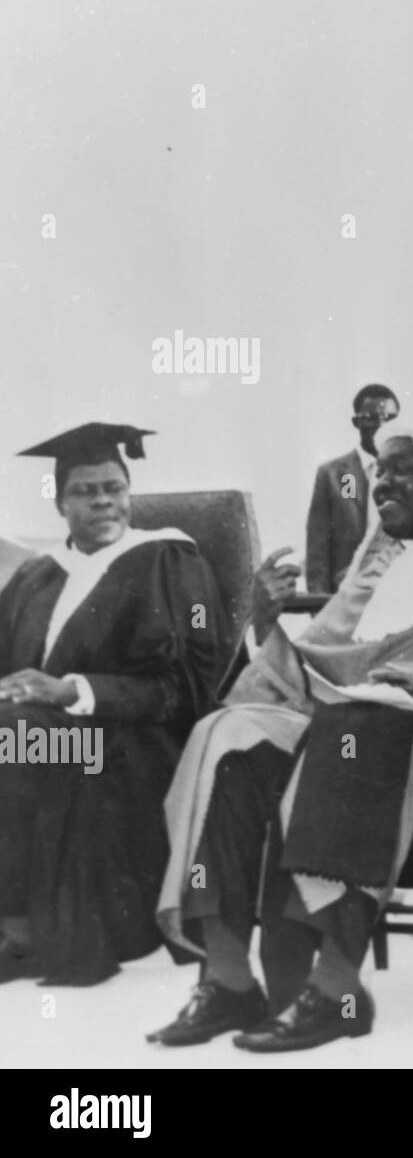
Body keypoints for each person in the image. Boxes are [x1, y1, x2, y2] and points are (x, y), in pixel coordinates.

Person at [150, 419, 413, 1052]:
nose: (381, 481)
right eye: (380, 469)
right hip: (336, 719)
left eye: (402, 470)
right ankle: (227, 977)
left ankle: (336, 990)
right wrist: (263, 622)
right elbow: (309, 667)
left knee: (359, 726)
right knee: (226, 732)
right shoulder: (375, 569)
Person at [0, 422, 226, 985]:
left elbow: (185, 689)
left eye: (113, 488)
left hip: (131, 748)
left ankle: (28, 933)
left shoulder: (167, 562)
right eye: (85, 490)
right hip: (36, 740)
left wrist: (74, 690)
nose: (103, 500)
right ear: (59, 502)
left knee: (27, 737)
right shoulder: (33, 577)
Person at [305, 384, 400, 593]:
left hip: (397, 594)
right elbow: (318, 552)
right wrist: (319, 608)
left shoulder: (411, 474)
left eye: (389, 418)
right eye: (370, 417)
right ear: (356, 422)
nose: (381, 425)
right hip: (346, 594)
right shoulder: (335, 474)